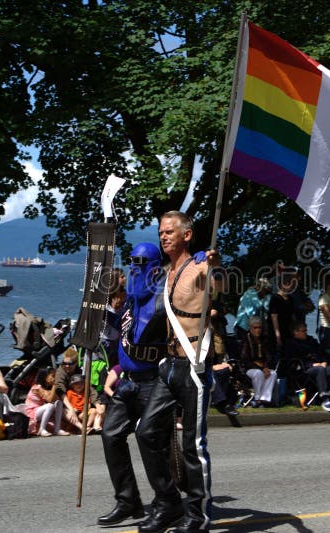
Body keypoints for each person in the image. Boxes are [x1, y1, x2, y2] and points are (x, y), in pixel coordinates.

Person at [136, 211, 219, 533]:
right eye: (160, 232)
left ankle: (199, 517)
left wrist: (216, 262)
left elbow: (218, 284)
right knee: (146, 432)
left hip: (194, 367)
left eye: (170, 231)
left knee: (191, 445)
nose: (163, 237)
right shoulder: (166, 272)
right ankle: (168, 502)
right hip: (168, 367)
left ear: (187, 235)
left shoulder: (201, 267)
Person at [98, 242, 167, 527]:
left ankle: (167, 501)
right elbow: (119, 333)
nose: (135, 267)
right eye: (132, 261)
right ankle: (128, 501)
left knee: (150, 441)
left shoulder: (164, 297)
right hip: (127, 381)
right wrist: (97, 319)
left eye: (141, 261)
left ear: (153, 265)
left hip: (154, 380)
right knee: (110, 434)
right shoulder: (130, 301)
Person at [284, 321, 330, 411]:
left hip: (320, 366)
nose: (306, 332)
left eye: (306, 330)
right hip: (304, 370)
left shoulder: (311, 341)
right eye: (303, 331)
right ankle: (325, 399)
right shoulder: (291, 344)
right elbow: (294, 361)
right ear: (295, 332)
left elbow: (323, 353)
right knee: (319, 369)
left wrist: (324, 361)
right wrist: (312, 364)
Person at [52, 347, 102, 433]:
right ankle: (83, 428)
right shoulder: (61, 371)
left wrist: (97, 405)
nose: (66, 366)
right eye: (64, 363)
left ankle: (90, 426)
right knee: (64, 410)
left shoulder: (79, 370)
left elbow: (90, 389)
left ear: (76, 363)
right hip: (63, 402)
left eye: (70, 363)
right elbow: (60, 390)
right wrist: (71, 409)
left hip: (80, 403)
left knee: (96, 409)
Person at [240, 316, 278, 407]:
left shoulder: (264, 339)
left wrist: (265, 366)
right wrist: (261, 368)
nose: (258, 330)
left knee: (273, 374)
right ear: (250, 328)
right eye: (255, 328)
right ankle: (257, 399)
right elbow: (245, 359)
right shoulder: (245, 339)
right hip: (249, 368)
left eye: (260, 327)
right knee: (258, 373)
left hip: (262, 367)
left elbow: (269, 356)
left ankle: (265, 399)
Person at [24, 368, 69, 437]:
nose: (54, 378)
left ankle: (57, 429)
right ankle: (42, 429)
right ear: (45, 377)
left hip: (40, 409)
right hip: (31, 412)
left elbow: (56, 399)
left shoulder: (47, 388)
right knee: (49, 405)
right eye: (52, 376)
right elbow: (50, 400)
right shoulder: (37, 388)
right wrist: (54, 385)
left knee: (59, 403)